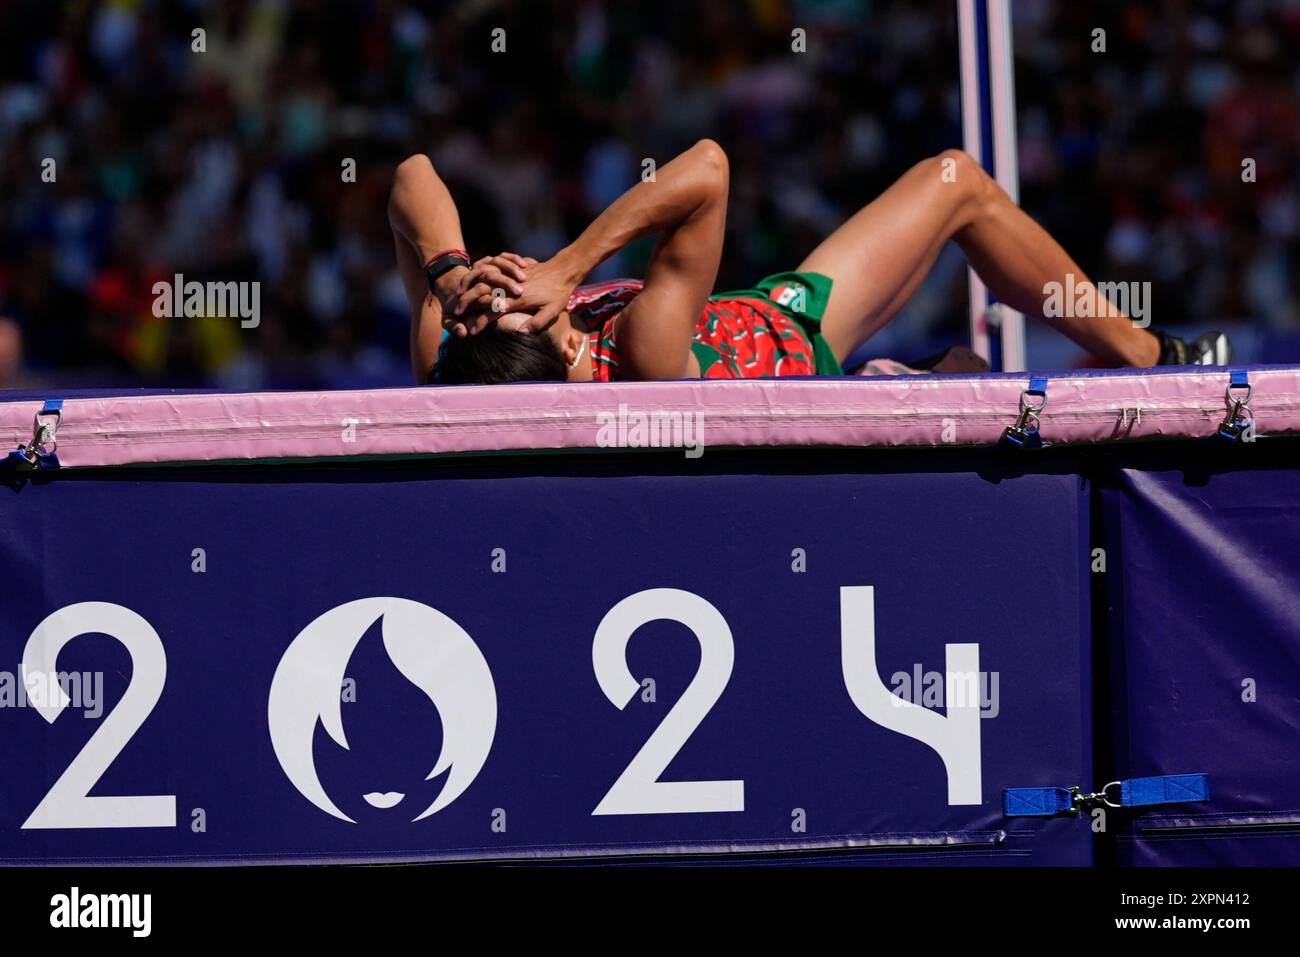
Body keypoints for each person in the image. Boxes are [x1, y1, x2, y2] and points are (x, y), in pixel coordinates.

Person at [387, 141, 1230, 386]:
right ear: (561, 336)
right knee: (957, 190)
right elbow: (710, 167)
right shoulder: (640, 355)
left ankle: (1140, 351)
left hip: (771, 308)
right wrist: (569, 264)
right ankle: (1156, 362)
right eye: (510, 290)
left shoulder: (459, 361)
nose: (510, 273)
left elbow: (411, 178)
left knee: (954, 181)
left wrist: (452, 275)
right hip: (804, 344)